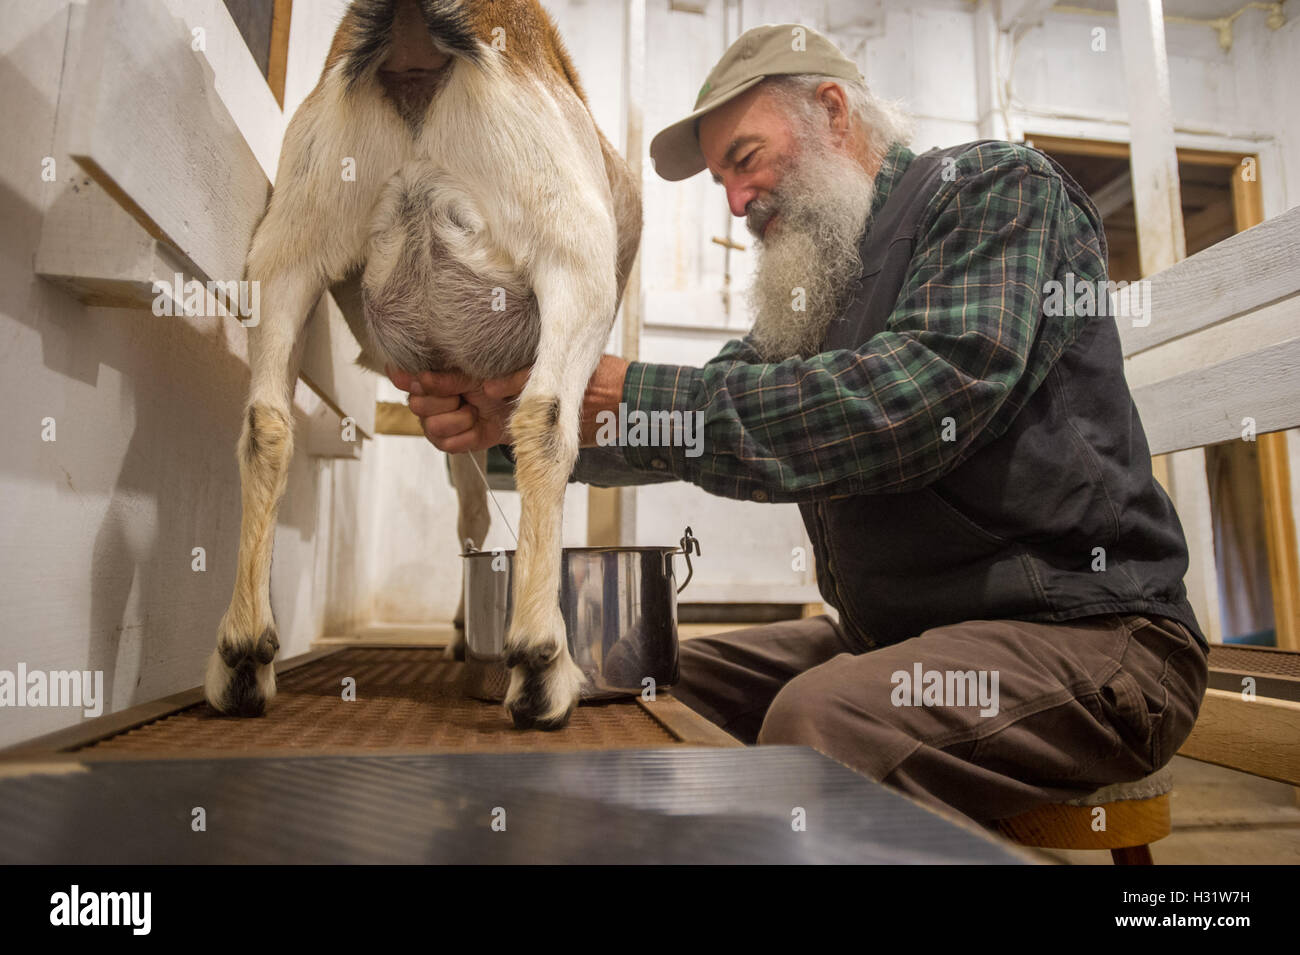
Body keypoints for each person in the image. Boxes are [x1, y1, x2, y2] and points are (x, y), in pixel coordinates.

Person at [387, 23, 1208, 828]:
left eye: (745, 160)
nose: (739, 202)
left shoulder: (996, 189)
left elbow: (916, 404)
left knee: (822, 720)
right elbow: (709, 402)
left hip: (1095, 640)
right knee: (633, 674)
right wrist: (511, 424)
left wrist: (621, 394)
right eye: (723, 184)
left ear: (834, 112)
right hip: (895, 638)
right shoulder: (829, 274)